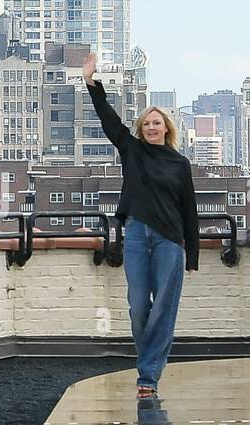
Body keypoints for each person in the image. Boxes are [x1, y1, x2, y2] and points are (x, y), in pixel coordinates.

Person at [83, 51, 198, 399]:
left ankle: (147, 377)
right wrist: (91, 83)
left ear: (167, 128)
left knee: (163, 308)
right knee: (138, 307)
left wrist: (191, 255)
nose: (151, 127)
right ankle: (148, 365)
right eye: (146, 123)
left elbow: (189, 210)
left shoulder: (180, 164)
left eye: (157, 122)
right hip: (135, 233)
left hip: (169, 241)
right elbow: (108, 120)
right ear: (141, 129)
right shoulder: (130, 149)